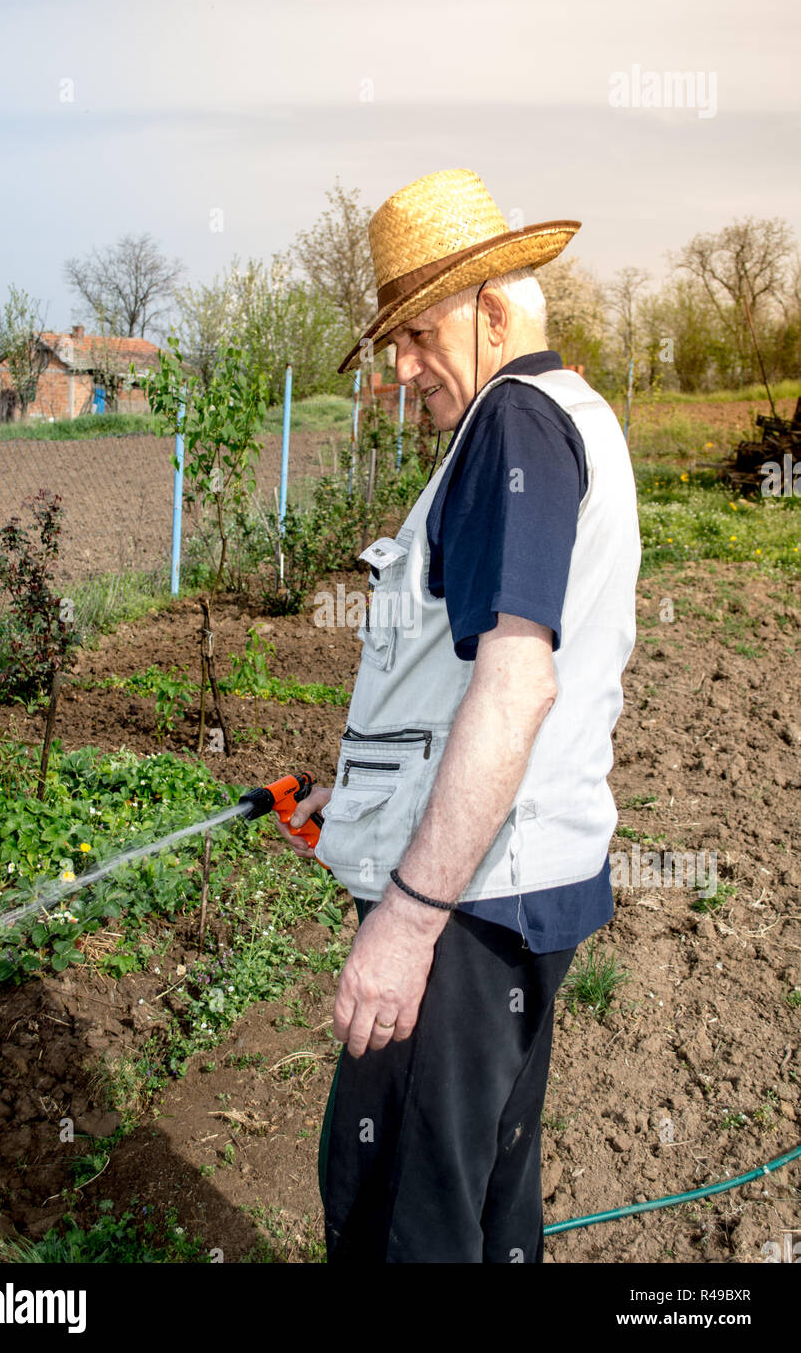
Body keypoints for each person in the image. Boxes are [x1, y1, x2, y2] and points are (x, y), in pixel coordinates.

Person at [275, 168, 640, 1263]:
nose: (399, 369)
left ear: (490, 311)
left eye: (416, 332)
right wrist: (368, 794)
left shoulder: (507, 427)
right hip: (520, 895)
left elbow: (516, 682)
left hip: (469, 911)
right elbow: (466, 676)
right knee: (483, 1208)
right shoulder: (573, 417)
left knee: (400, 1215)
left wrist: (405, 920)